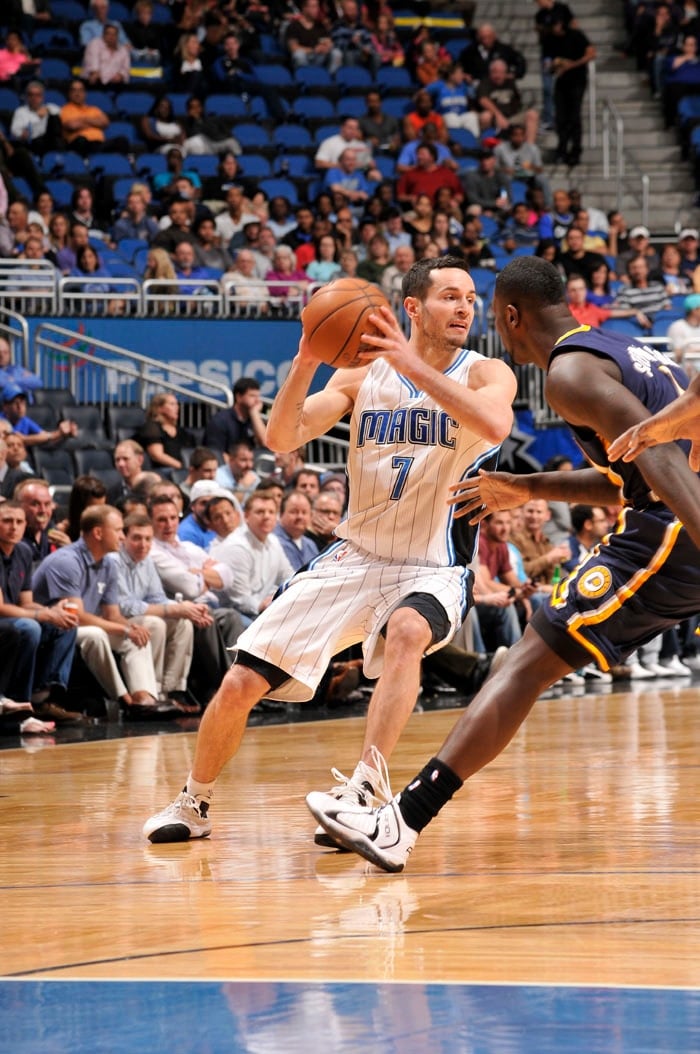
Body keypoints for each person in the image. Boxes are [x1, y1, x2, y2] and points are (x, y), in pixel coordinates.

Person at [306, 254, 700, 872]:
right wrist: (527, 487)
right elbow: (635, 474)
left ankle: (401, 824)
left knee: (521, 669)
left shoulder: (568, 375)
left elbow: (667, 468)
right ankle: (400, 821)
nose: (488, 325)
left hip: (671, 534)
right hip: (669, 520)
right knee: (525, 665)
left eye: (491, 313)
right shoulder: (615, 349)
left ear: (512, 315)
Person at [142, 255, 516, 843]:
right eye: (450, 296)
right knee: (241, 681)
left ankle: (366, 790)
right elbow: (281, 435)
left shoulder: (485, 371)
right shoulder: (360, 376)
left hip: (433, 562)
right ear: (412, 308)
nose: (465, 307)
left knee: (409, 633)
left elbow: (494, 426)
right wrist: (306, 360)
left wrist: (409, 365)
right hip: (354, 557)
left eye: (470, 297)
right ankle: (193, 803)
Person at [32, 504, 181, 721]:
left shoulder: (109, 564)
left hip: (88, 623)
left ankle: (144, 697)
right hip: (58, 627)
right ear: (98, 533)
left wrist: (129, 627)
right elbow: (78, 616)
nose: (122, 536)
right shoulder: (67, 561)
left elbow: (112, 614)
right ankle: (124, 699)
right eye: (119, 530)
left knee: (137, 635)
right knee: (97, 635)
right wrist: (123, 628)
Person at [0, 500, 79, 719]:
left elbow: (26, 602)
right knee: (30, 627)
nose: (13, 527)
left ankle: (43, 697)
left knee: (65, 624)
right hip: (4, 621)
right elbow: (1, 608)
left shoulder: (23, 551)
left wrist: (53, 611)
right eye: (7, 521)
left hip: (13, 618)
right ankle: (19, 702)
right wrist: (41, 614)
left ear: (26, 524)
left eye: (19, 521)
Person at [135, 392, 195, 473]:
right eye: (172, 404)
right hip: (162, 471)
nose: (177, 407)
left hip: (181, 470)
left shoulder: (182, 431)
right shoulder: (152, 427)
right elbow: (157, 455)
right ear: (159, 408)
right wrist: (182, 467)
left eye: (177, 404)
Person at [10, 79, 64, 156]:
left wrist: (47, 111)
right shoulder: (21, 111)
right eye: (31, 95)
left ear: (42, 97)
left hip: (52, 141)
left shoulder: (51, 107)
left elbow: (61, 121)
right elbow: (15, 131)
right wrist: (22, 134)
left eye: (37, 95)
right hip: (33, 143)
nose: (34, 98)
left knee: (54, 118)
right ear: (26, 97)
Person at [273, 489, 319, 571]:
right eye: (294, 512)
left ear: (311, 516)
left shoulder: (311, 545)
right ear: (281, 514)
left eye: (304, 512)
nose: (300, 516)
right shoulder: (273, 541)